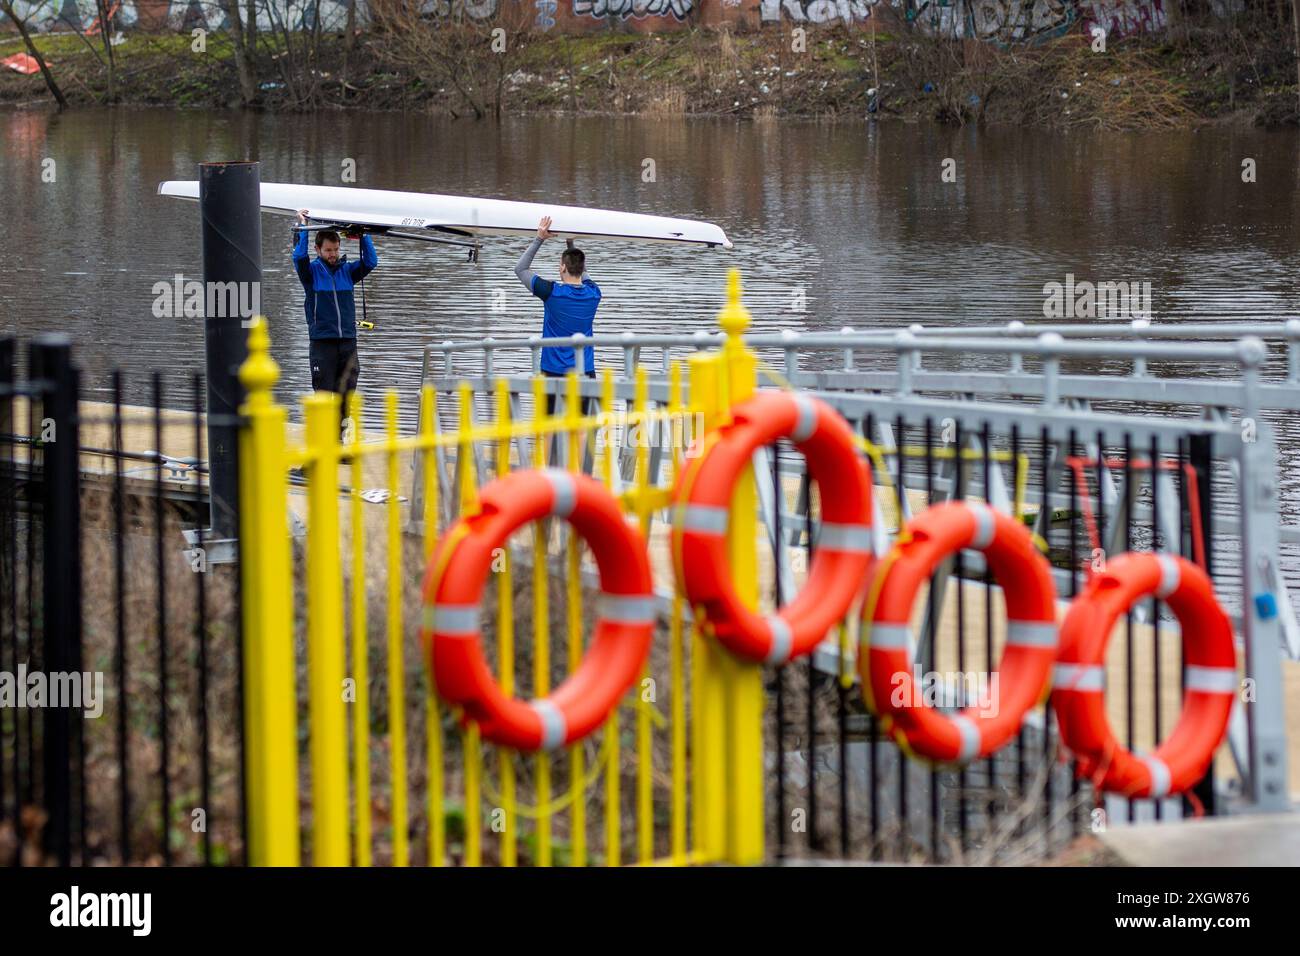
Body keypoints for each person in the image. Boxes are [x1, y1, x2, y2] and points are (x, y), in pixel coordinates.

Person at [293, 208, 378, 434]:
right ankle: (321, 446)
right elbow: (298, 257)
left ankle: (342, 444)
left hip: (348, 341)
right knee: (323, 397)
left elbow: (371, 261)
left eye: (336, 249)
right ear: (318, 250)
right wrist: (303, 226)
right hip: (322, 342)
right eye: (328, 250)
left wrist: (364, 235)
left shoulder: (348, 272)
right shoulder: (310, 274)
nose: (332, 254)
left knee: (345, 397)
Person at [514, 215, 601, 416]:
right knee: (582, 430)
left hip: (553, 373)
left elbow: (520, 269)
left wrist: (539, 238)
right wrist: (570, 242)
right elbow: (583, 274)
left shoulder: (551, 292)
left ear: (562, 267)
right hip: (585, 373)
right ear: (581, 267)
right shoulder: (594, 294)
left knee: (551, 429)